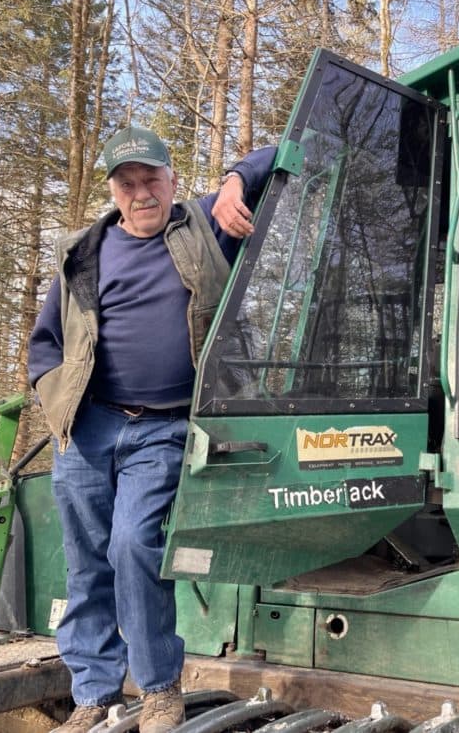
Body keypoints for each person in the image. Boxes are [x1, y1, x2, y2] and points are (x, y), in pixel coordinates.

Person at [28, 126, 275, 733]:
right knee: (86, 560)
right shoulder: (83, 252)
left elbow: (278, 152)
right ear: (114, 189)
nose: (142, 194)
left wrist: (234, 181)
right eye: (128, 183)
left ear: (171, 179)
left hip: (162, 429)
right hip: (89, 427)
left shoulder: (204, 227)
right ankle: (93, 690)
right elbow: (47, 343)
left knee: (135, 545)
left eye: (152, 180)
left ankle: (160, 686)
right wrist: (49, 390)